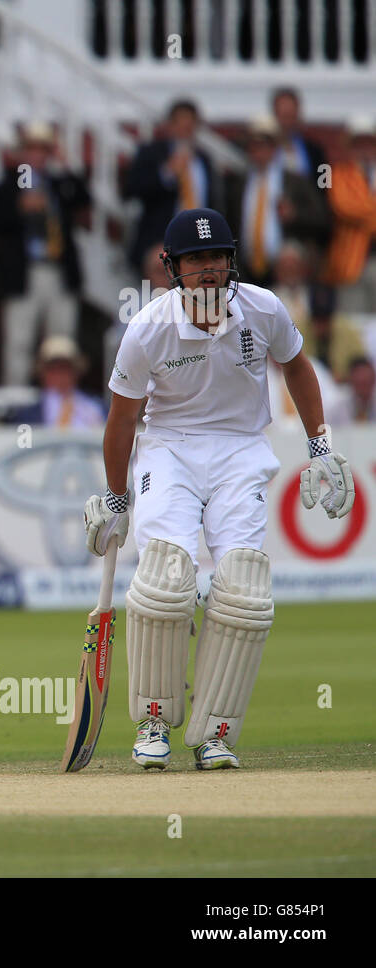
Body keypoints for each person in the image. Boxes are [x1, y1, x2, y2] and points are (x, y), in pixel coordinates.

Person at [86, 207, 354, 773]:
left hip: (240, 447)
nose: (207, 270)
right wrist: (116, 498)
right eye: (194, 260)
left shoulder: (263, 308)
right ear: (172, 268)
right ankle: (154, 720)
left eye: (215, 258)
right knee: (164, 577)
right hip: (169, 447)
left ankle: (216, 734)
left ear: (230, 262)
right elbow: (121, 420)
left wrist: (320, 447)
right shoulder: (149, 328)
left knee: (244, 591)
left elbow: (298, 368)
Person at [0, 122, 91, 385]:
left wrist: (66, 167)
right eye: (32, 149)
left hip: (58, 270)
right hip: (25, 272)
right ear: (22, 152)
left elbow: (84, 200)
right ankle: (16, 399)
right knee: (19, 340)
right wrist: (20, 209)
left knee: (62, 339)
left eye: (43, 149)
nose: (37, 155)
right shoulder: (8, 185)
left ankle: (62, 399)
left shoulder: (58, 183)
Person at [223, 116, 330, 287]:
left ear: (274, 148)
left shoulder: (294, 181)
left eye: (265, 145)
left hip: (284, 270)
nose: (259, 152)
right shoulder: (239, 183)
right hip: (245, 268)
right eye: (254, 146)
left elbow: (321, 218)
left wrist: (295, 215)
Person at [124, 99, 221, 271]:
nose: (185, 129)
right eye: (180, 123)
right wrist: (166, 173)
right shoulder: (152, 152)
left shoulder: (203, 159)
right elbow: (131, 189)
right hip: (160, 241)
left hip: (197, 242)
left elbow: (210, 201)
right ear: (170, 125)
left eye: (189, 124)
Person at [324, 116, 376, 314]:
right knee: (353, 320)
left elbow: (357, 209)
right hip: (350, 262)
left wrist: (365, 214)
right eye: (358, 144)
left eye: (368, 143)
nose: (364, 149)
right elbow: (344, 207)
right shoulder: (337, 174)